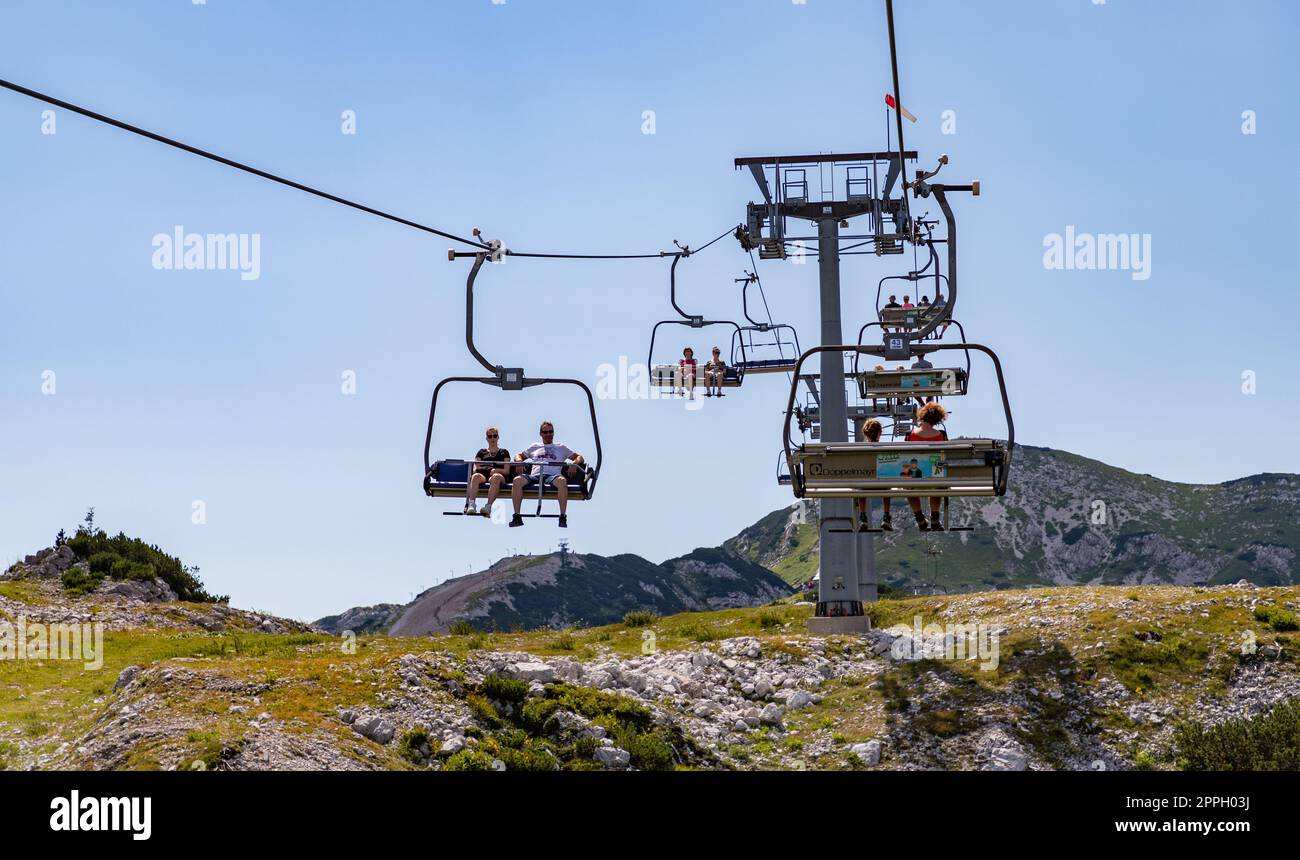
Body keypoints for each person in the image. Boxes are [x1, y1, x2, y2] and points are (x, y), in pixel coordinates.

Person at [509, 421, 586, 528]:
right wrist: (519, 461)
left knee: (562, 481)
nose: (548, 434)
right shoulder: (535, 446)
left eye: (550, 432)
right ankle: (517, 516)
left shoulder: (560, 447)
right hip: (535, 475)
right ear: (541, 433)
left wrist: (574, 464)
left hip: (552, 476)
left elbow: (579, 457)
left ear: (553, 433)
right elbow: (519, 455)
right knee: (517, 480)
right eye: (545, 432)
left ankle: (563, 516)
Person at [905, 401, 949, 531]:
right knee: (938, 478)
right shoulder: (941, 435)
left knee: (908, 486)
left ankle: (919, 517)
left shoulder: (910, 435)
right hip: (935, 477)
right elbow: (947, 455)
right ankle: (935, 517)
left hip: (915, 476)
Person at [855, 419, 894, 531]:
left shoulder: (859, 449)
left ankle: (863, 517)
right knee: (888, 486)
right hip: (882, 484)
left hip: (865, 485)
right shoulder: (884, 449)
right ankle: (886, 517)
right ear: (879, 433)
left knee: (861, 485)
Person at [465, 426, 511, 516]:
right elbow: (475, 469)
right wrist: (489, 469)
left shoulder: (504, 452)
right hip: (484, 476)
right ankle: (472, 504)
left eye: (495, 436)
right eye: (490, 436)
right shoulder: (481, 452)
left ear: (498, 437)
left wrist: (496, 470)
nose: (492, 438)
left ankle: (488, 506)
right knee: (475, 476)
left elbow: (506, 470)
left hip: (499, 476)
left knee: (496, 477)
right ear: (487, 438)